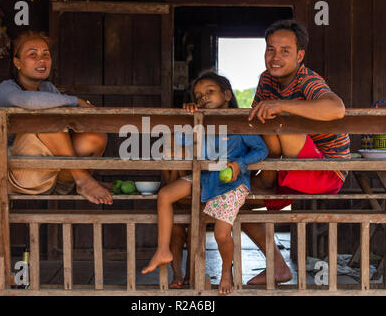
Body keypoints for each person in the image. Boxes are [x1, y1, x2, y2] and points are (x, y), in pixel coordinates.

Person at [242, 19, 350, 285]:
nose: (275, 57)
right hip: (288, 167)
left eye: (285, 50)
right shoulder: (266, 80)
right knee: (232, 203)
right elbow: (257, 123)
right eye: (270, 49)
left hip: (326, 170)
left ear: (300, 55)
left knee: (282, 120)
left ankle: (267, 179)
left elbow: (336, 109)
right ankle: (278, 267)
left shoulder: (308, 80)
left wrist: (283, 106)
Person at [141, 71, 269, 295]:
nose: (203, 98)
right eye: (198, 96)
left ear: (227, 95)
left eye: (210, 92)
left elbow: (261, 150)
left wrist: (240, 163)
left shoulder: (240, 121)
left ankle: (226, 272)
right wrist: (186, 118)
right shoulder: (199, 122)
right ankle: (162, 250)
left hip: (232, 184)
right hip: (204, 177)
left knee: (221, 234)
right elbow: (176, 146)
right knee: (164, 195)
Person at [0, 30, 113, 205]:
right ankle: (83, 179)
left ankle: (79, 180)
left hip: (55, 177)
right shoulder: (5, 89)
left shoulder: (48, 89)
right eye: (32, 55)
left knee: (95, 138)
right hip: (20, 177)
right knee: (45, 121)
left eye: (45, 55)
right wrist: (76, 101)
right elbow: (29, 101)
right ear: (17, 62)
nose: (41, 60)